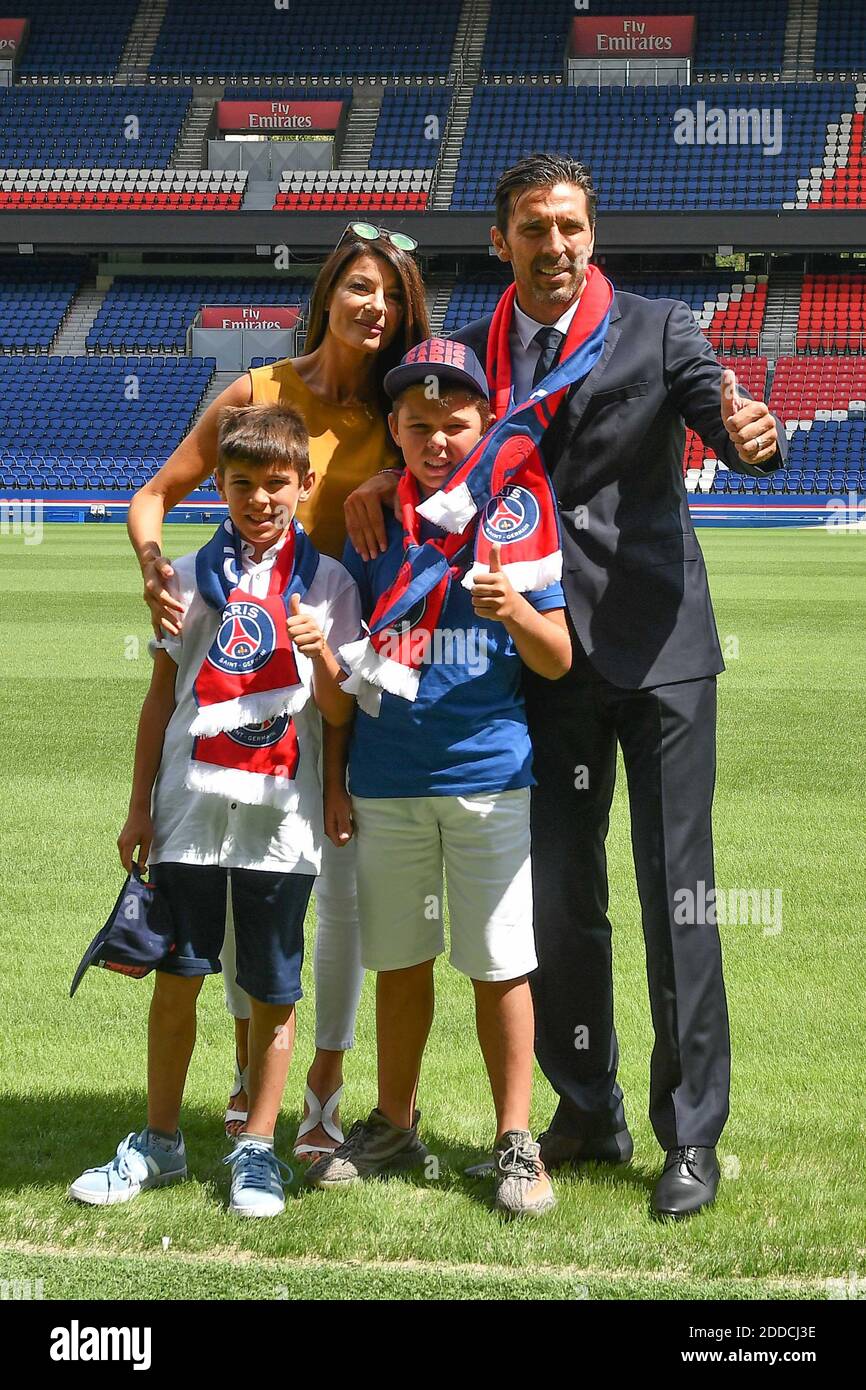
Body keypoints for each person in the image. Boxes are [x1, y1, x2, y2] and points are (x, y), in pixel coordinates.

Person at [342, 155, 789, 1220]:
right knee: (560, 901)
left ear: (594, 235)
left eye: (570, 227)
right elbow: (434, 435)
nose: (554, 246)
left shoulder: (659, 327)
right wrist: (376, 474)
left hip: (662, 652)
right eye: (533, 229)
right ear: (501, 240)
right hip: (545, 656)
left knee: (676, 893)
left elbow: (717, 408)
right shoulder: (478, 346)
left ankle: (690, 1135)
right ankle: (585, 1103)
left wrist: (745, 431)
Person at [125, 227, 429, 1158]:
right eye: (358, 288)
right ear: (330, 291)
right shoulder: (257, 395)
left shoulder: (401, 412)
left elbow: (451, 481)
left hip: (347, 671)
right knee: (242, 879)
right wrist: (152, 567)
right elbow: (155, 496)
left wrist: (394, 472)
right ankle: (248, 1079)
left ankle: (322, 1100)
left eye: (389, 296)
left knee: (323, 899)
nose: (371, 308)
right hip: (239, 686)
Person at [69, 404, 360, 1217]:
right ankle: (161, 1142)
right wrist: (137, 809)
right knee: (179, 978)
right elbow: (160, 699)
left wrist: (321, 652)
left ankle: (257, 1150)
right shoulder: (188, 579)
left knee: (273, 988)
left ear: (304, 485)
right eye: (242, 485)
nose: (260, 500)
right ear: (218, 490)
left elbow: (339, 713)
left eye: (277, 484)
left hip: (282, 818)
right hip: (189, 809)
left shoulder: (328, 583)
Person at [305, 338, 572, 1217]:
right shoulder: (373, 517)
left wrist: (518, 609)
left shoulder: (518, 508)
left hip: (491, 775)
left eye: (456, 425)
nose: (438, 441)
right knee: (401, 960)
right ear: (395, 429)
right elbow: (345, 668)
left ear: (485, 424)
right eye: (418, 426)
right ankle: (394, 1121)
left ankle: (515, 1139)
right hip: (386, 779)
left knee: (500, 964)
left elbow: (559, 657)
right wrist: (338, 780)